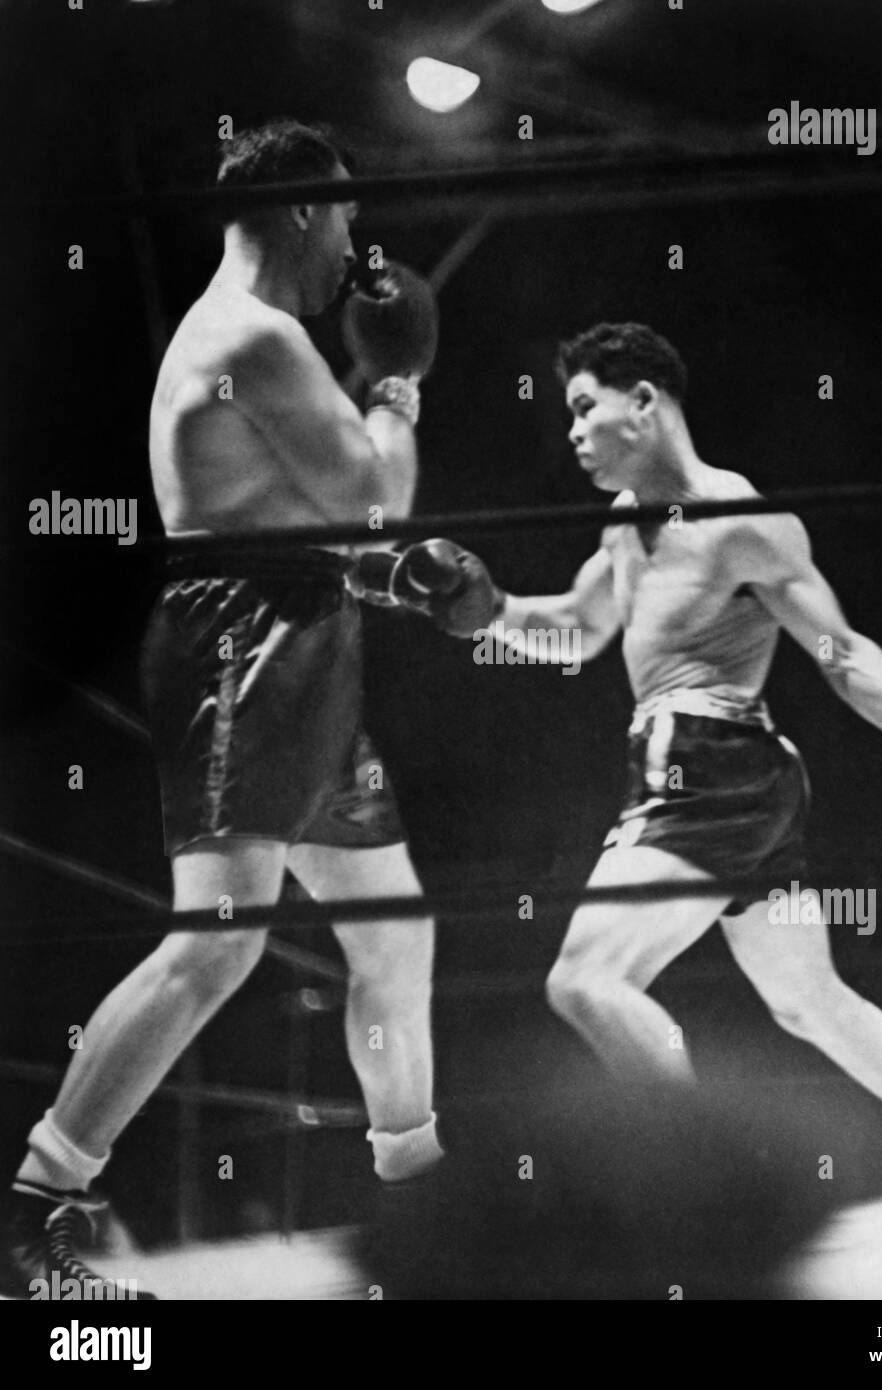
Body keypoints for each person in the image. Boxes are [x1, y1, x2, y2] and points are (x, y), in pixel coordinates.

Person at [0, 119, 496, 1298]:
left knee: (394, 928)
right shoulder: (255, 339)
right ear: (305, 213)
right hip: (243, 646)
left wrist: (403, 581)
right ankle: (36, 1208)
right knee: (218, 939)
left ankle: (418, 1206)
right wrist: (399, 389)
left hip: (300, 634)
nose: (355, 251)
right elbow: (371, 500)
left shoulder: (256, 341)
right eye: (348, 222)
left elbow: (317, 536)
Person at [490, 321, 882, 1225]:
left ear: (645, 403)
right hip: (735, 777)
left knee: (586, 980)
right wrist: (479, 611)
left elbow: (838, 646)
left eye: (586, 408)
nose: (573, 433)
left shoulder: (734, 517)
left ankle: (698, 1199)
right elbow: (575, 633)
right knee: (807, 999)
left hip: (710, 765)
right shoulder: (625, 526)